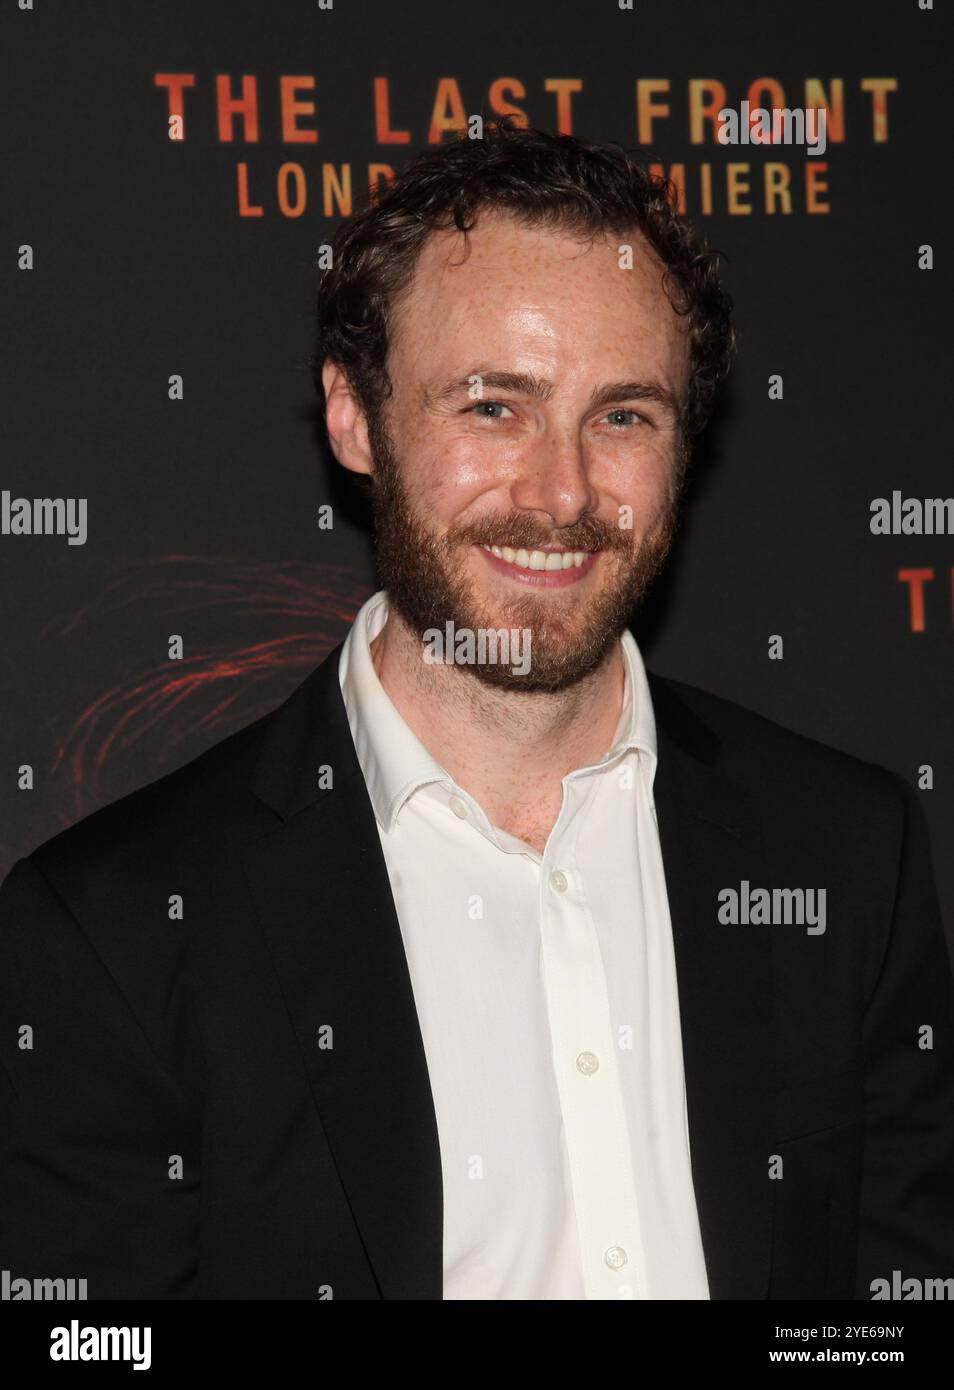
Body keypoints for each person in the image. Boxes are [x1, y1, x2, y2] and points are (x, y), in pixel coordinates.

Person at [2, 121, 952, 1301]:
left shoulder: (845, 855)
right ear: (354, 415)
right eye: (494, 407)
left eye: (623, 416)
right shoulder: (118, 932)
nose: (560, 493)